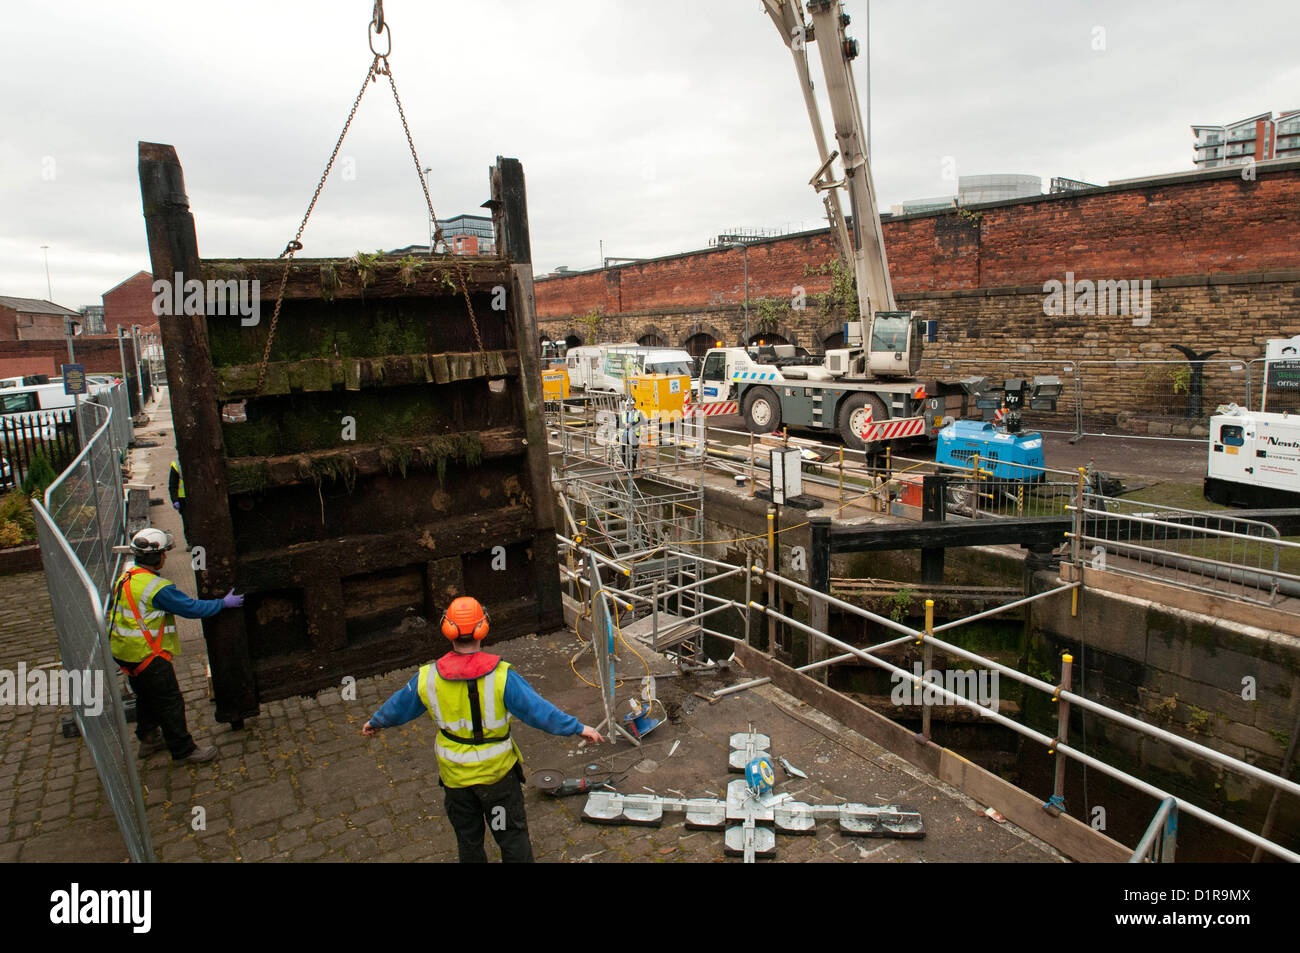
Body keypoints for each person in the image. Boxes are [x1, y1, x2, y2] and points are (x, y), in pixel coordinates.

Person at [362, 596, 604, 863]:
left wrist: (376, 722)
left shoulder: (427, 678)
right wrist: (579, 728)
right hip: (498, 777)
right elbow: (539, 712)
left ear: (447, 629)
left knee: (468, 840)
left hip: (455, 779)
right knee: (512, 837)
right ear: (483, 628)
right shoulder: (502, 676)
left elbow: (399, 706)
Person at [108, 528, 244, 763]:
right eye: (164, 553)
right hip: (148, 656)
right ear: (156, 557)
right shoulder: (157, 588)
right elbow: (191, 608)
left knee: (145, 696)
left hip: (124, 653)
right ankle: (183, 750)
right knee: (170, 701)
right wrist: (222, 603)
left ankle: (148, 739)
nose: (166, 557)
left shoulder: (127, 576)